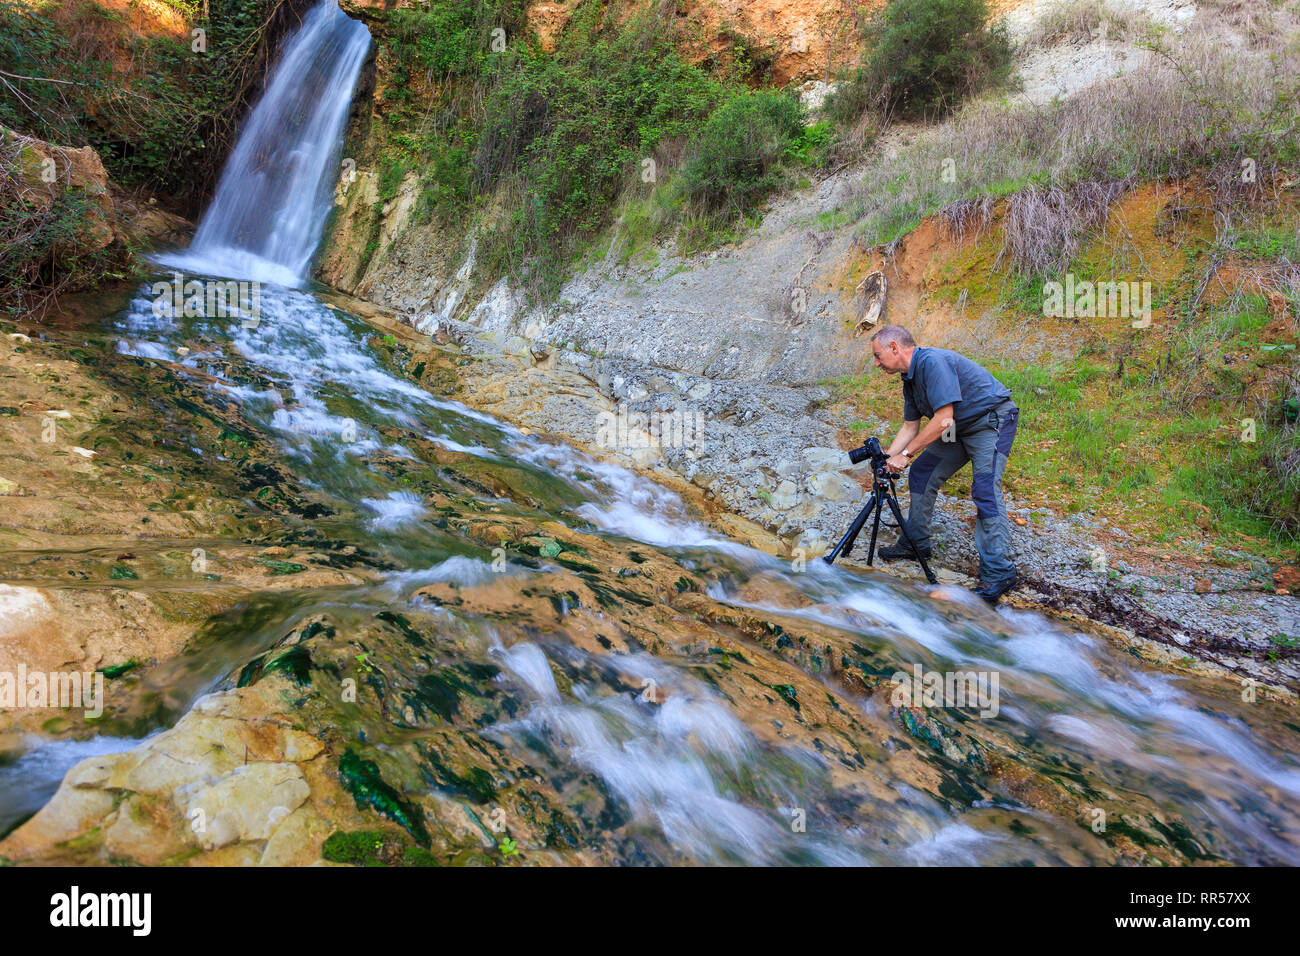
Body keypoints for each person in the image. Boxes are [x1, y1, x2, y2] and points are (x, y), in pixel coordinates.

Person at [869, 324, 1020, 604]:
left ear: (894, 347)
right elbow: (909, 427)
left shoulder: (932, 363)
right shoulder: (909, 379)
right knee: (923, 474)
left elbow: (943, 420)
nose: (877, 363)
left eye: (878, 356)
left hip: (991, 420)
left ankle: (1000, 572)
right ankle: (916, 545)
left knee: (985, 490)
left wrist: (906, 455)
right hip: (958, 428)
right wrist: (889, 458)